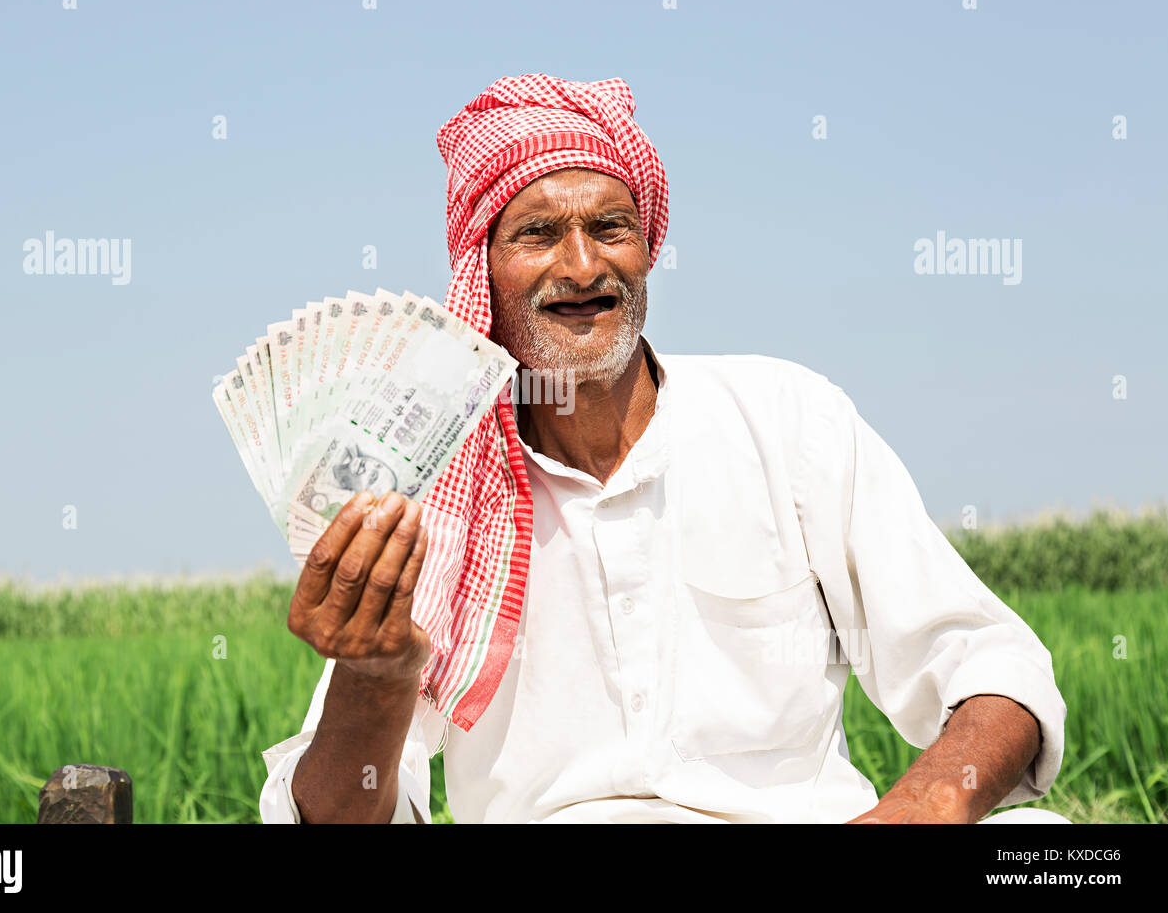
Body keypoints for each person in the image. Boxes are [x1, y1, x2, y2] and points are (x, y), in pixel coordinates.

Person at [260, 74, 1068, 824]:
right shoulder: (438, 494)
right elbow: (338, 814)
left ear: (646, 248)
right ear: (483, 269)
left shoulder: (786, 419)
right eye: (538, 234)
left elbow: (992, 668)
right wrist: (378, 677)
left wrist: (925, 805)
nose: (583, 265)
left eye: (610, 227)